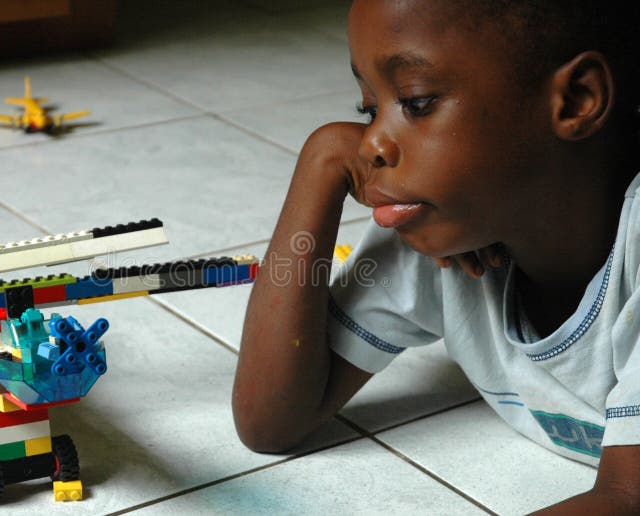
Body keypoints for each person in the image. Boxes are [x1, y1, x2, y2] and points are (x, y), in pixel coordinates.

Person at [232, 0, 640, 512]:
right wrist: (321, 160)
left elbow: (629, 496)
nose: (374, 141)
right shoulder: (448, 234)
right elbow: (270, 420)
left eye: (416, 101)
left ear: (576, 99)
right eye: (368, 108)